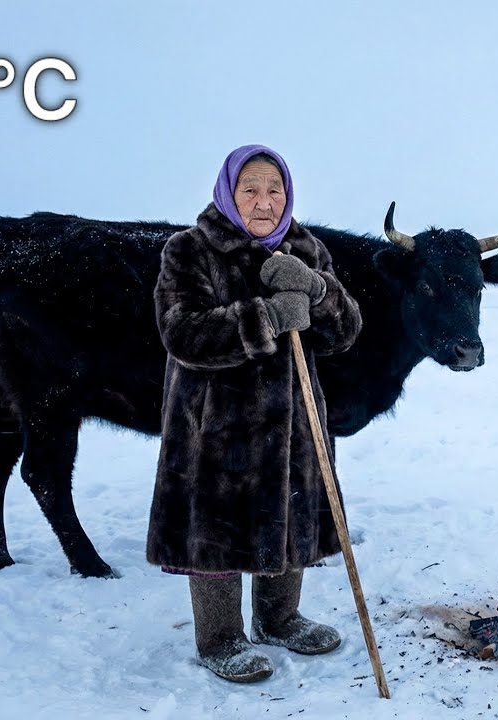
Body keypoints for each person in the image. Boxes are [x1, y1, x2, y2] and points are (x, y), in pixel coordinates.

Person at [146, 144, 363, 683]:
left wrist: (318, 291)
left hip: (294, 420)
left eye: (275, 190)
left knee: (288, 513)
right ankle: (220, 639)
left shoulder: (306, 248)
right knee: (217, 528)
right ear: (227, 193)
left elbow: (345, 332)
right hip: (215, 425)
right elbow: (181, 332)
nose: (264, 202)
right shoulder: (191, 250)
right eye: (251, 190)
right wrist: (264, 315)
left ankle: (280, 618)